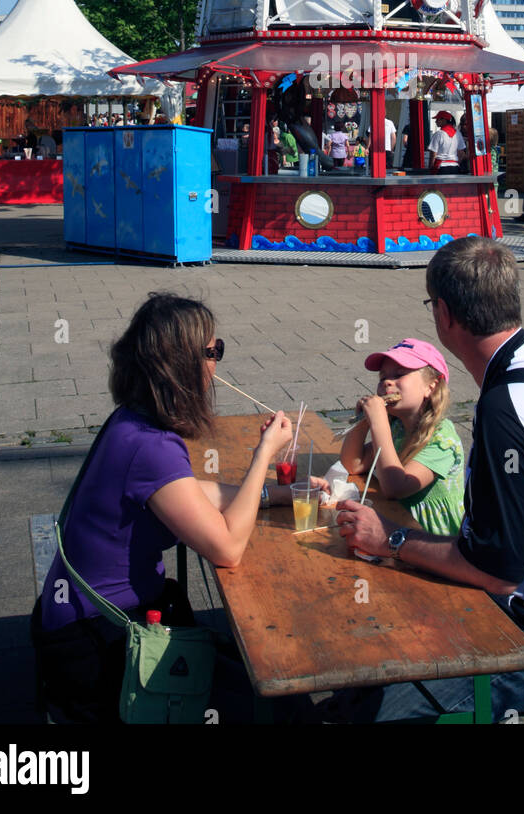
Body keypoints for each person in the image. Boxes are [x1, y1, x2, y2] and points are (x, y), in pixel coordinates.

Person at [335, 237, 524, 723]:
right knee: (372, 658)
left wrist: (391, 537)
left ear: (444, 314)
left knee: (377, 706)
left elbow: (496, 569)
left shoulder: (506, 410)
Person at [30, 292, 326, 724]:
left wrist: (272, 494)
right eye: (212, 351)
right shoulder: (151, 446)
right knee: (285, 707)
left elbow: (188, 491)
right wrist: (264, 452)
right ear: (181, 366)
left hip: (73, 619)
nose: (217, 360)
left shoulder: (130, 420)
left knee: (249, 677)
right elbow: (227, 548)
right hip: (93, 645)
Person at [340, 339, 465, 536]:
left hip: (432, 539)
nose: (387, 382)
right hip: (396, 523)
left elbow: (396, 487)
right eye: (382, 378)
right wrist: (362, 422)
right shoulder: (397, 427)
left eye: (399, 375)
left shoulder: (442, 439)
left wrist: (379, 424)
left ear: (430, 387)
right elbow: (353, 465)